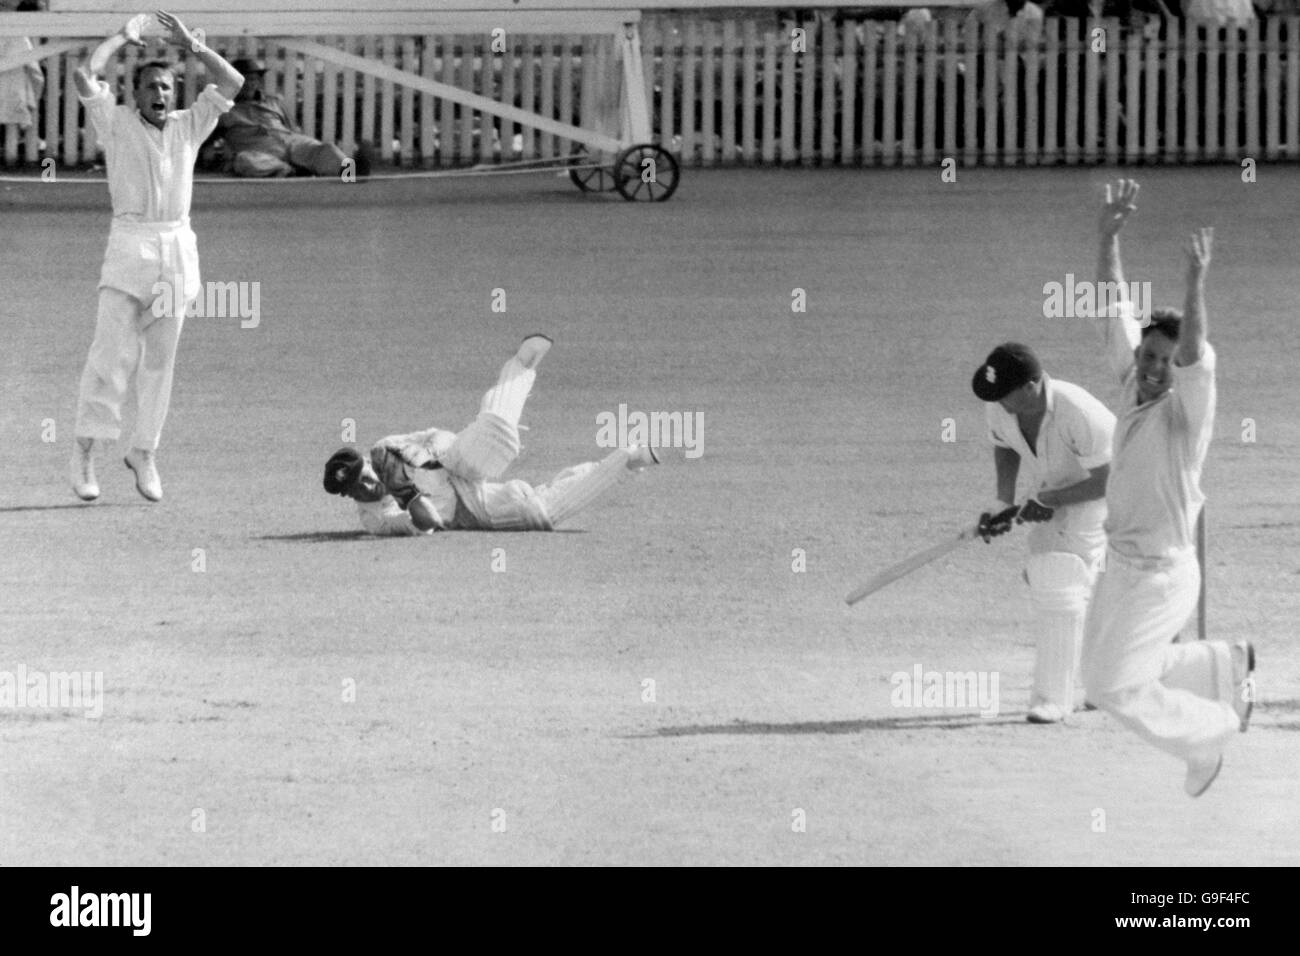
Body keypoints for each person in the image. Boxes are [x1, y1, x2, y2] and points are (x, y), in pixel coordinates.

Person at [1084, 179, 1254, 797]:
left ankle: (1209, 731)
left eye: (1164, 359)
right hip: (1118, 563)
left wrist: (1194, 283)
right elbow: (1110, 304)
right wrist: (1107, 238)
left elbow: (1194, 354)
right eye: (1150, 356)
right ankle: (1222, 664)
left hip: (1161, 572)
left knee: (1111, 687)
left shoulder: (1190, 411)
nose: (1154, 367)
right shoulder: (1132, 380)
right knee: (1101, 676)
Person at [68, 10, 242, 503]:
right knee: (110, 358)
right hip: (129, 248)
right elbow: (85, 75)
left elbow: (232, 79)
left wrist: (193, 46)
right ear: (136, 94)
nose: (160, 95)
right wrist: (122, 38)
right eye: (151, 88)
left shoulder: (191, 125)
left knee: (160, 363)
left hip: (178, 251)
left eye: (167, 87)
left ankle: (144, 451)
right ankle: (84, 452)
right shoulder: (115, 121)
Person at [323, 335, 660, 535]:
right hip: (469, 508)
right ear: (348, 496)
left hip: (452, 461)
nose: (366, 487)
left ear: (367, 461)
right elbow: (430, 524)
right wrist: (406, 492)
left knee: (495, 435)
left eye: (364, 477)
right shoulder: (373, 519)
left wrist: (434, 456)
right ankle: (626, 460)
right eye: (356, 489)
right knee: (539, 514)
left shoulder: (387, 448)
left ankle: (522, 365)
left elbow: (435, 434)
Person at [972, 343, 1116, 723]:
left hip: (1120, 495)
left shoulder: (1080, 413)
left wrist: (1050, 499)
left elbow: (1112, 482)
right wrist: (1002, 502)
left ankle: (1053, 699)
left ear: (1033, 384)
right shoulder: (1001, 404)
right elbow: (1005, 446)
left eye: (1005, 394)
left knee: (1060, 575)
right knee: (1056, 576)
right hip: (1061, 488)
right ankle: (1106, 684)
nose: (998, 403)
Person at [216, 57, 367, 178]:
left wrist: (301, 144)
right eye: (244, 80)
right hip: (260, 151)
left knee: (323, 149)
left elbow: (292, 128)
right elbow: (205, 140)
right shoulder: (223, 109)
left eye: (253, 79)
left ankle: (350, 173)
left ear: (259, 82)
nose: (249, 84)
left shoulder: (273, 102)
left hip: (289, 142)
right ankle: (291, 171)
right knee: (246, 161)